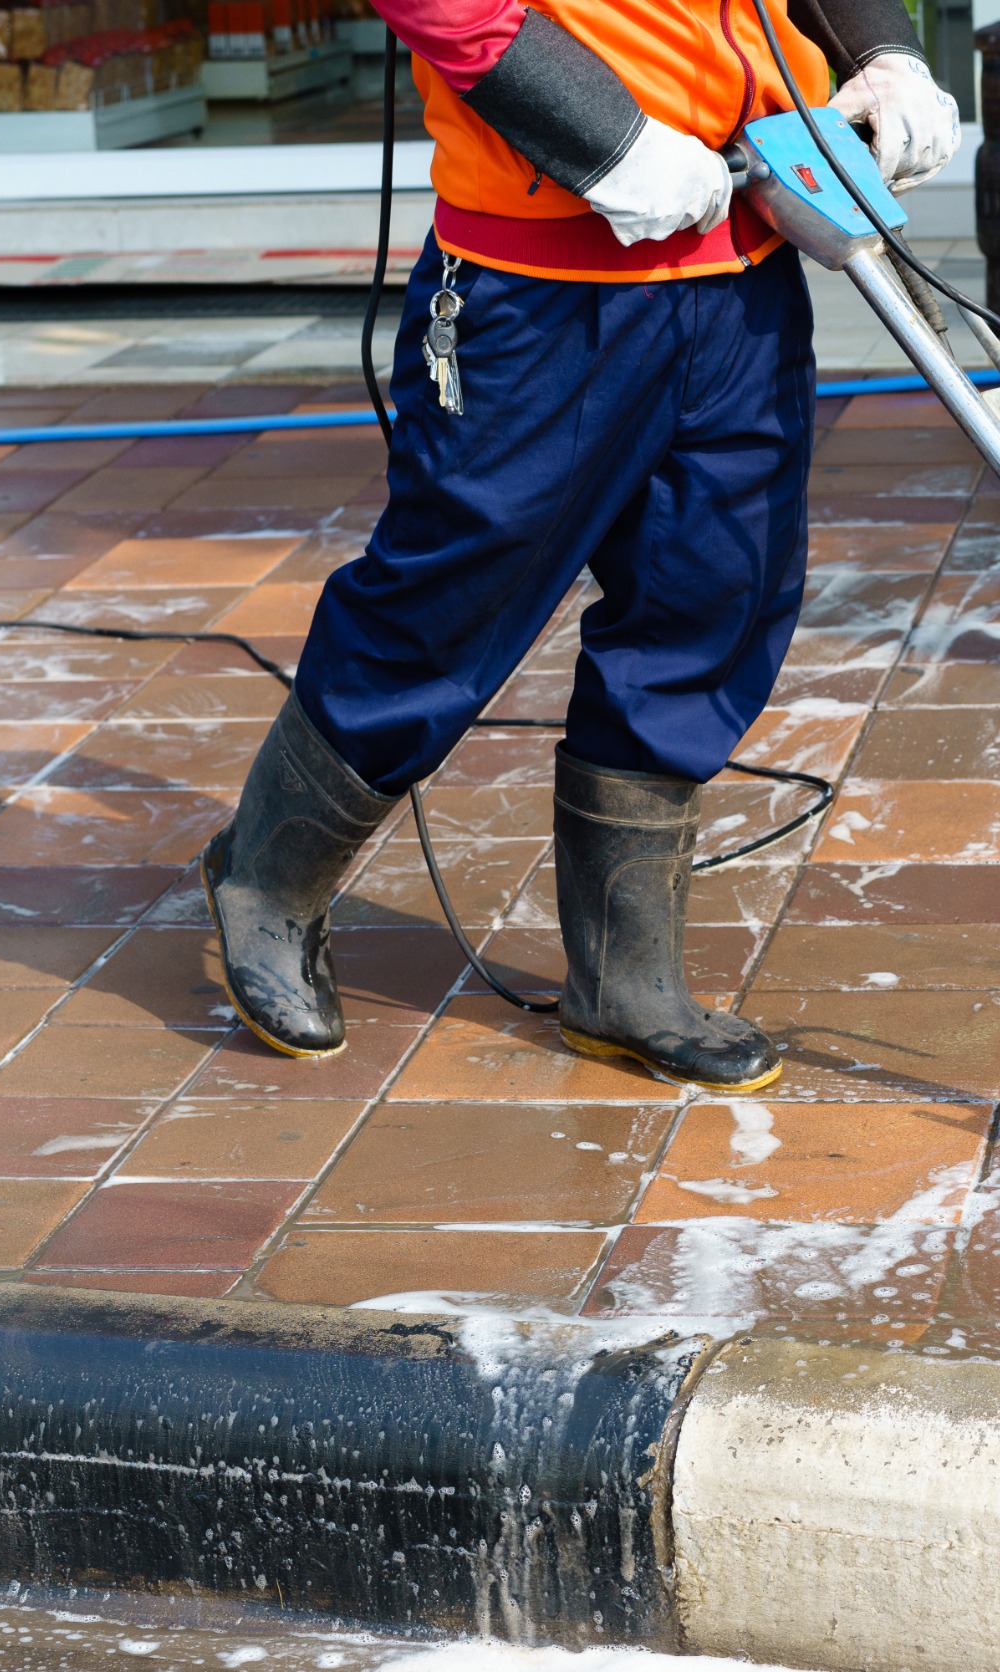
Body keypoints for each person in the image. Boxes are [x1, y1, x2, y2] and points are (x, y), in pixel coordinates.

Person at [201, 0, 958, 1094]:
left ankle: (626, 981)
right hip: (539, 285)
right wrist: (606, 138)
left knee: (712, 594)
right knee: (453, 593)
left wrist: (883, 52)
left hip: (739, 268)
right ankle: (267, 878)